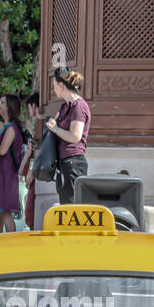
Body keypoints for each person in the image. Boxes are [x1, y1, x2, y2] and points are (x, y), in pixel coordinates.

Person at [47, 67, 90, 209]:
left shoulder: (79, 106)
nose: (53, 89)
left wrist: (56, 128)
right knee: (65, 205)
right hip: (64, 162)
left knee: (72, 207)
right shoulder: (65, 106)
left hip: (74, 163)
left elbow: (75, 136)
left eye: (54, 85)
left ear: (61, 85)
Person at [0, 94, 25, 233]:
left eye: (1, 102)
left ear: (9, 107)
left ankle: (10, 245)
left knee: (4, 212)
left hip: (4, 175)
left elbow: (2, 150)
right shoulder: (9, 126)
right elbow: (2, 126)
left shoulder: (11, 129)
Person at [20, 92, 44, 229]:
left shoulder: (39, 125)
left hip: (38, 177)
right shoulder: (40, 125)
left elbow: (41, 153)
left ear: (33, 106)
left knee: (31, 219)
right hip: (38, 176)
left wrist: (32, 173)